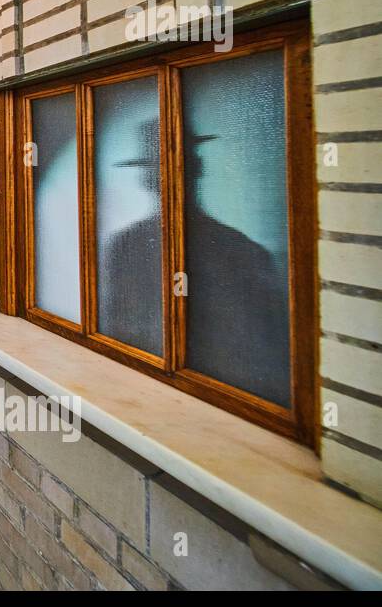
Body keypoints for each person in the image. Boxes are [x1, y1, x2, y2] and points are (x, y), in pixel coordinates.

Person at [101, 118, 290, 406]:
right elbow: (114, 331)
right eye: (159, 167)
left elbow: (263, 356)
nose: (168, 176)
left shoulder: (243, 252)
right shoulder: (125, 247)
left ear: (197, 167)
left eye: (178, 163)